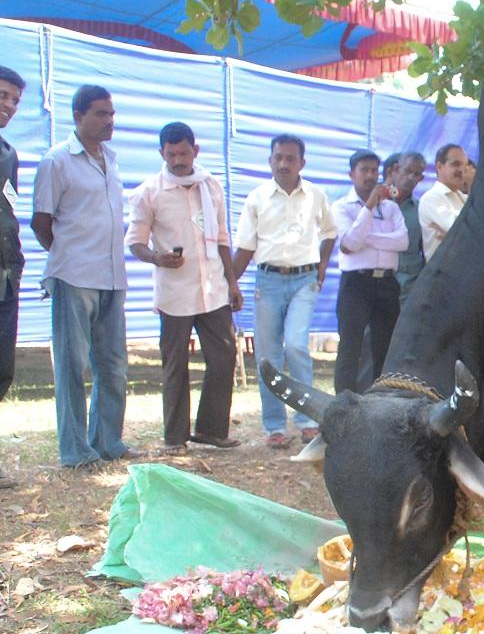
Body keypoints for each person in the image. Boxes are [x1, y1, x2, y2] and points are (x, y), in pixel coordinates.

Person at [32, 85, 145, 468]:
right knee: (72, 365)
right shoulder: (57, 161)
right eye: (100, 114)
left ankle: (107, 440)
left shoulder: (110, 159)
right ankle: (75, 451)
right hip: (74, 276)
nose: (108, 120)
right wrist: (69, 255)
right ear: (78, 117)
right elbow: (41, 221)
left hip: (113, 276)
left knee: (113, 365)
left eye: (111, 113)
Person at [126, 122, 243, 455]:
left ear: (196, 151)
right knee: (176, 364)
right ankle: (175, 437)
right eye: (171, 153)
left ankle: (211, 430)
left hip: (214, 289)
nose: (178, 159)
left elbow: (222, 238)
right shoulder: (149, 191)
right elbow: (135, 242)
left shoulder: (211, 186)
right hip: (174, 293)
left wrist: (232, 281)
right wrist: (156, 258)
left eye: (183, 152)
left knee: (224, 357)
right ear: (161, 153)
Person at [232, 134, 336, 449]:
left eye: (291, 158)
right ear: (270, 160)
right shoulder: (258, 198)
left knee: (296, 345)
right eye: (278, 157)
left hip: (305, 280)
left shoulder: (316, 195)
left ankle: (307, 420)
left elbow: (330, 233)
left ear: (302, 162)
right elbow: (246, 248)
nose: (283, 163)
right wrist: (230, 285)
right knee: (268, 356)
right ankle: (275, 425)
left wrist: (322, 266)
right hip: (268, 281)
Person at [330, 149, 407, 393]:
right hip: (356, 283)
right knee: (350, 346)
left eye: (374, 170)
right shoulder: (342, 207)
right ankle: (343, 404)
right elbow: (349, 245)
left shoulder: (392, 208)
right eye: (365, 170)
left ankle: (380, 401)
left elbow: (402, 242)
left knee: (385, 348)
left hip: (386, 282)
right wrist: (370, 205)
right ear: (352, 174)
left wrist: (367, 237)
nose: (371, 176)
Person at [0, 66, 24, 488]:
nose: (9, 106)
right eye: (3, 95)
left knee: (2, 370)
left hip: (5, 274)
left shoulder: (8, 154)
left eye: (15, 101)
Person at [382, 151, 426, 310]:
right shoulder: (372, 203)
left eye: (417, 174)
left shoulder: (421, 209)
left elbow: (424, 250)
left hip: (408, 290)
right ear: (393, 170)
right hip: (375, 286)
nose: (411, 178)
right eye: (407, 171)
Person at [417, 143, 468, 260]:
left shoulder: (464, 198)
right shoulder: (431, 198)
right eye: (456, 164)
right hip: (443, 275)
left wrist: (453, 238)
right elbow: (459, 228)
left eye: (465, 166)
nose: (462, 170)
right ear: (439, 167)